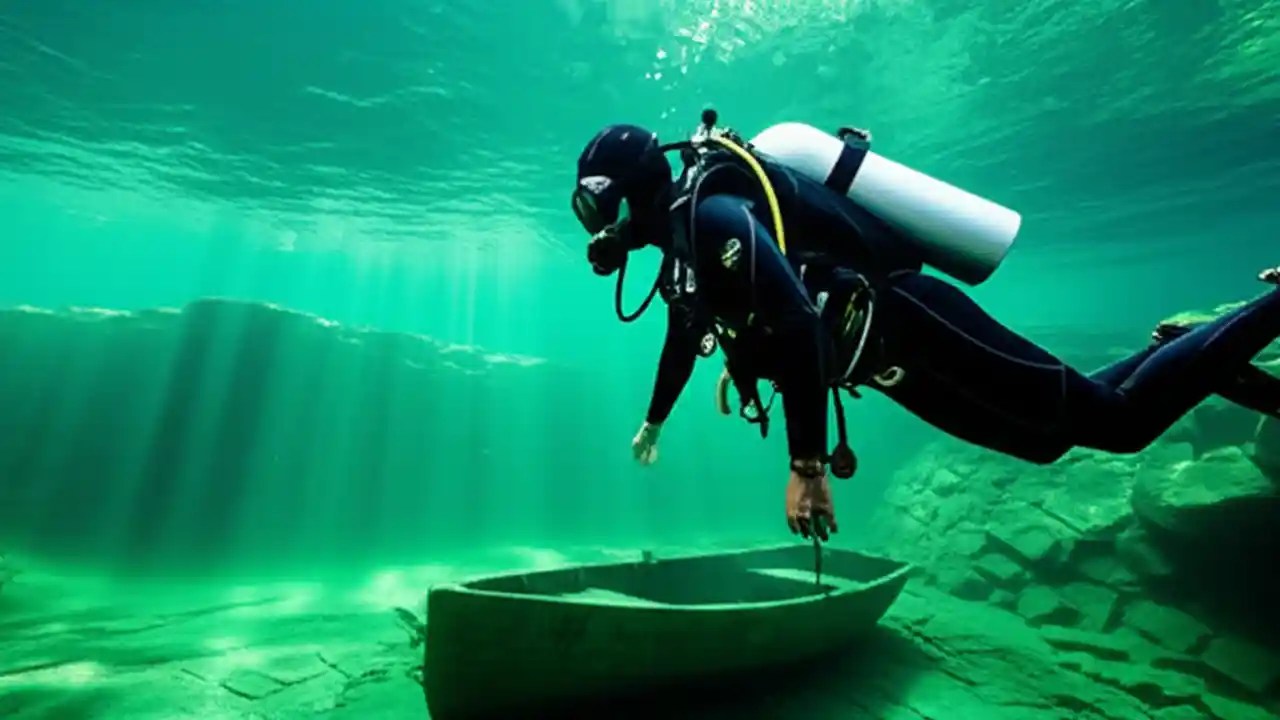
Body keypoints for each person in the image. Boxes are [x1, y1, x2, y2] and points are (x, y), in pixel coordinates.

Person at [570, 118, 1280, 543]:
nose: (596, 225)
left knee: (1120, 426)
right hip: (883, 361)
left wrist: (807, 466)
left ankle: (1257, 319)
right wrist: (653, 424)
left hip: (911, 315)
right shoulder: (685, 255)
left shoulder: (713, 216)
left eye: (593, 203)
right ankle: (1181, 355)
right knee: (1044, 440)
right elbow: (683, 338)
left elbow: (791, 316)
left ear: (625, 187)